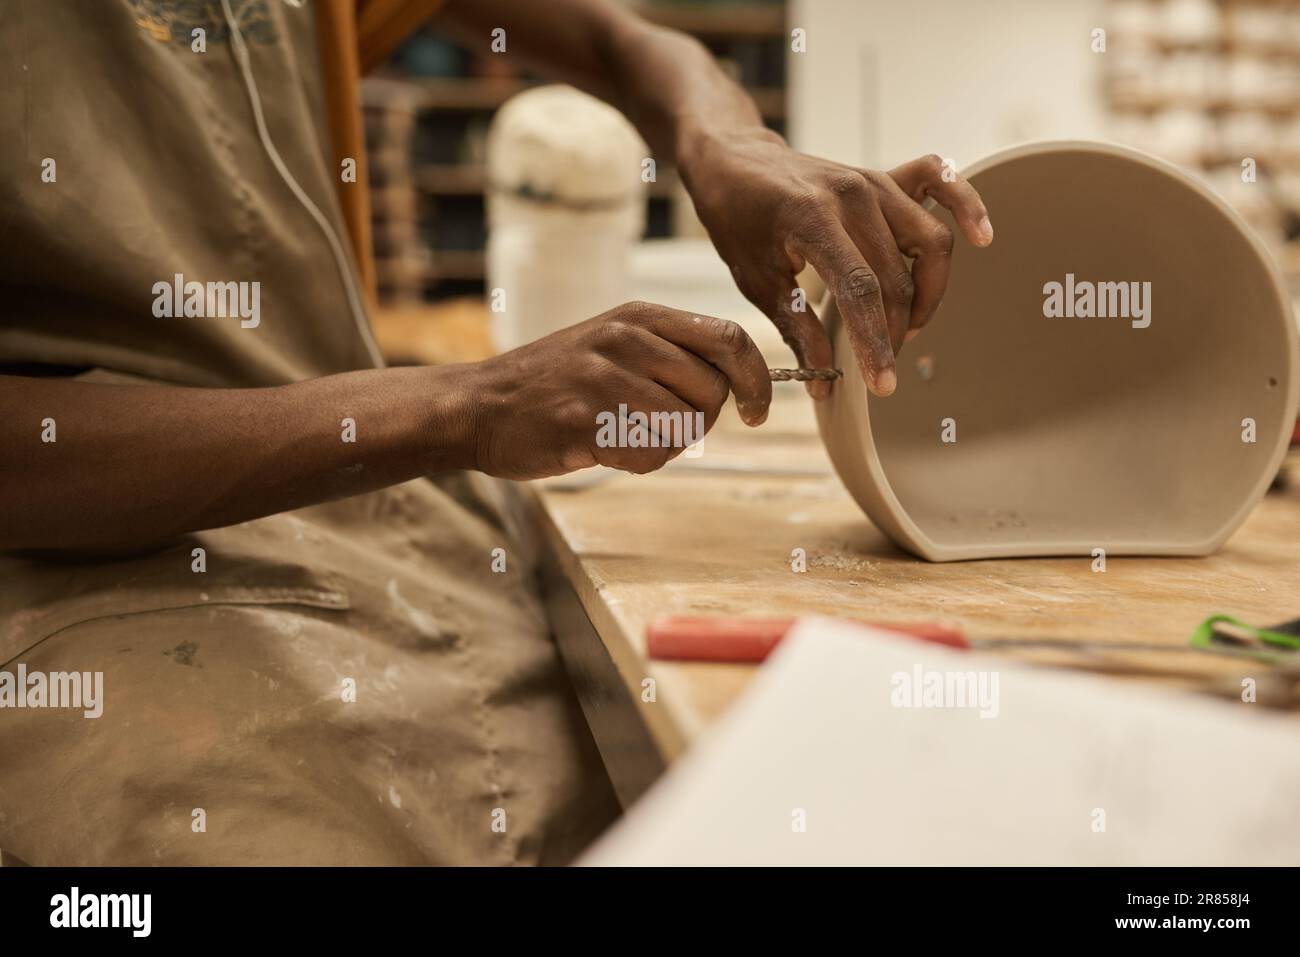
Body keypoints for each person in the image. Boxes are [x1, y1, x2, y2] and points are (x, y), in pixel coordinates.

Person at [0, 0, 992, 865]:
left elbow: (614, 36)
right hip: (92, 582)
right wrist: (462, 406)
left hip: (388, 518)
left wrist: (724, 139)